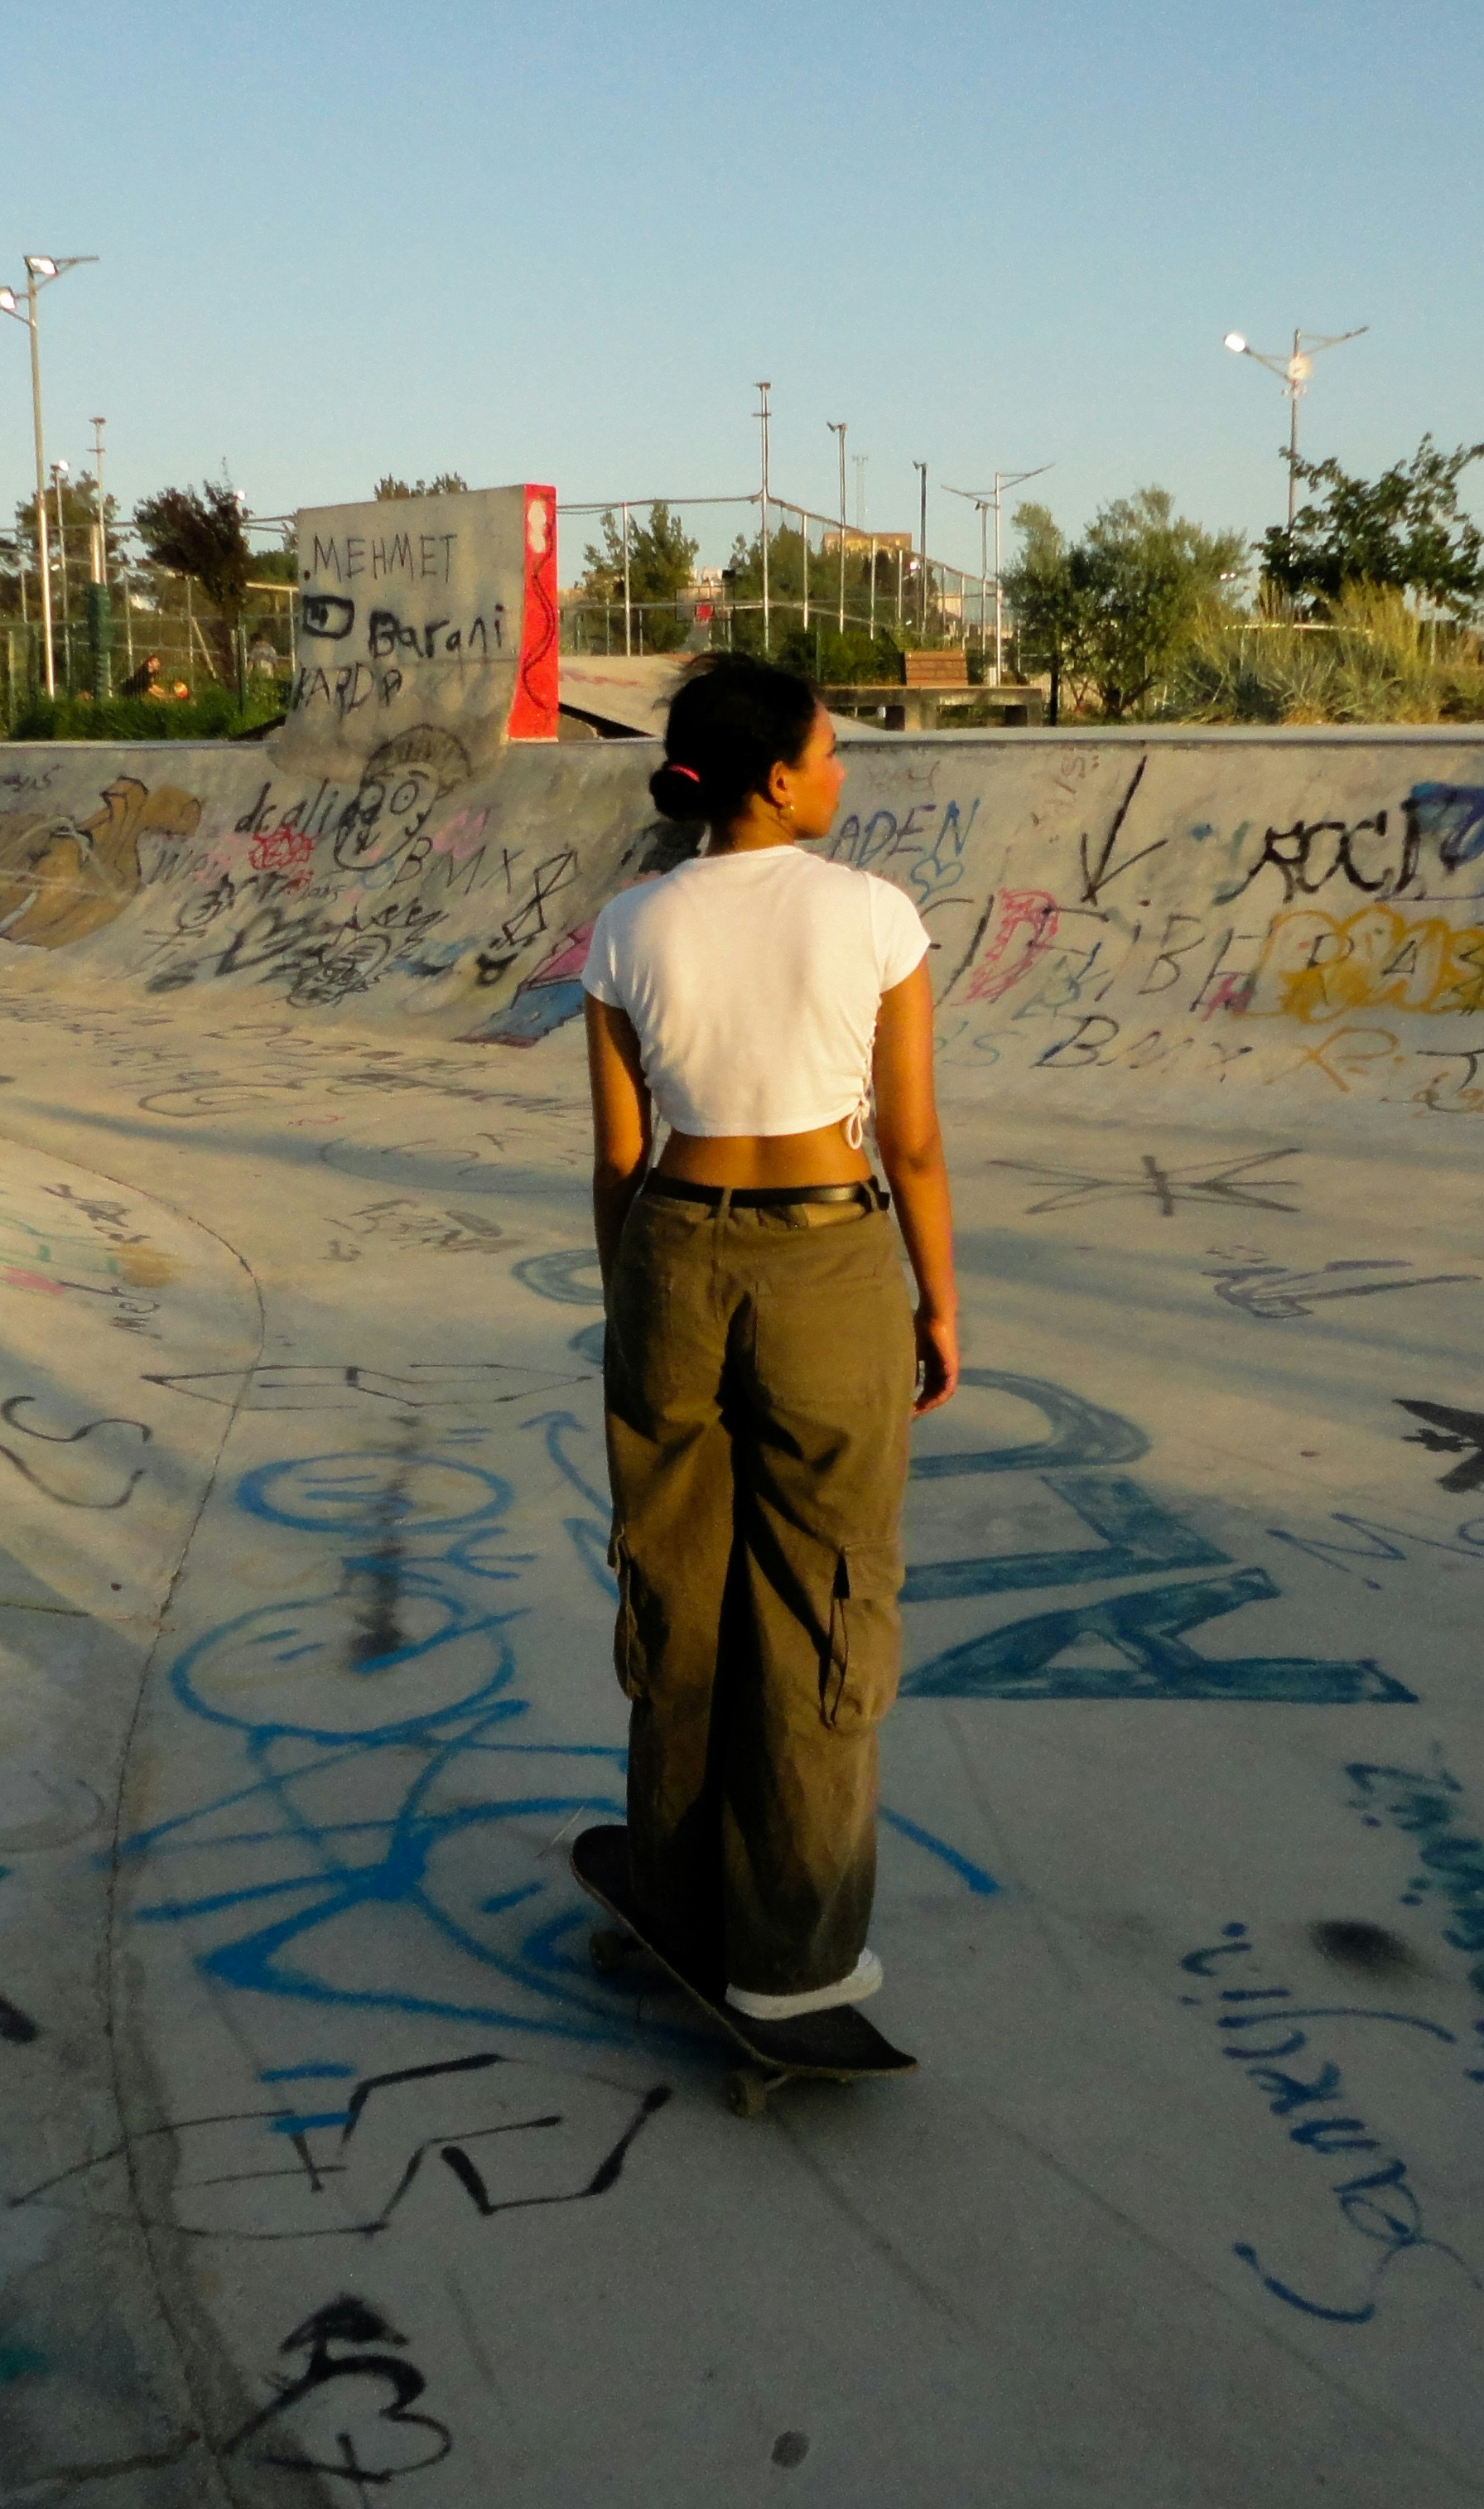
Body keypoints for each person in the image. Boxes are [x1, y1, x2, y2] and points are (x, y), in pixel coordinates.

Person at [582, 654, 959, 2029]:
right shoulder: (872, 915)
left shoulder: (628, 924)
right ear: (780, 775)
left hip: (674, 1248)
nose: (842, 772)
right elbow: (910, 1141)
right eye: (832, 750)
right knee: (825, 1595)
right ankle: (793, 1957)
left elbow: (619, 1161)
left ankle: (673, 1894)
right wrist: (938, 1301)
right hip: (826, 1258)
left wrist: (639, 1301)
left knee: (677, 1592)